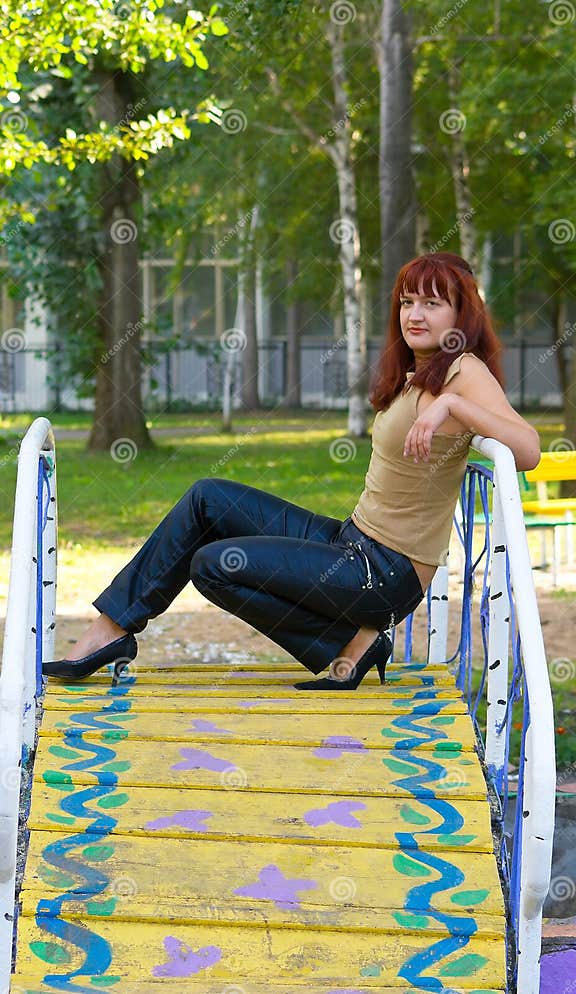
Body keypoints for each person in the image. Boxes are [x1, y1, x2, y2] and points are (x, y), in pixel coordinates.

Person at [43, 252, 541, 691]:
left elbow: (527, 451)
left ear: (461, 314)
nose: (415, 314)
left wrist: (451, 404)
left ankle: (348, 643)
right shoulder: (414, 370)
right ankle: (110, 630)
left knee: (214, 564)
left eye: (432, 303)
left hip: (385, 573)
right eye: (408, 301)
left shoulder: (463, 370)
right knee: (206, 498)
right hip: (351, 541)